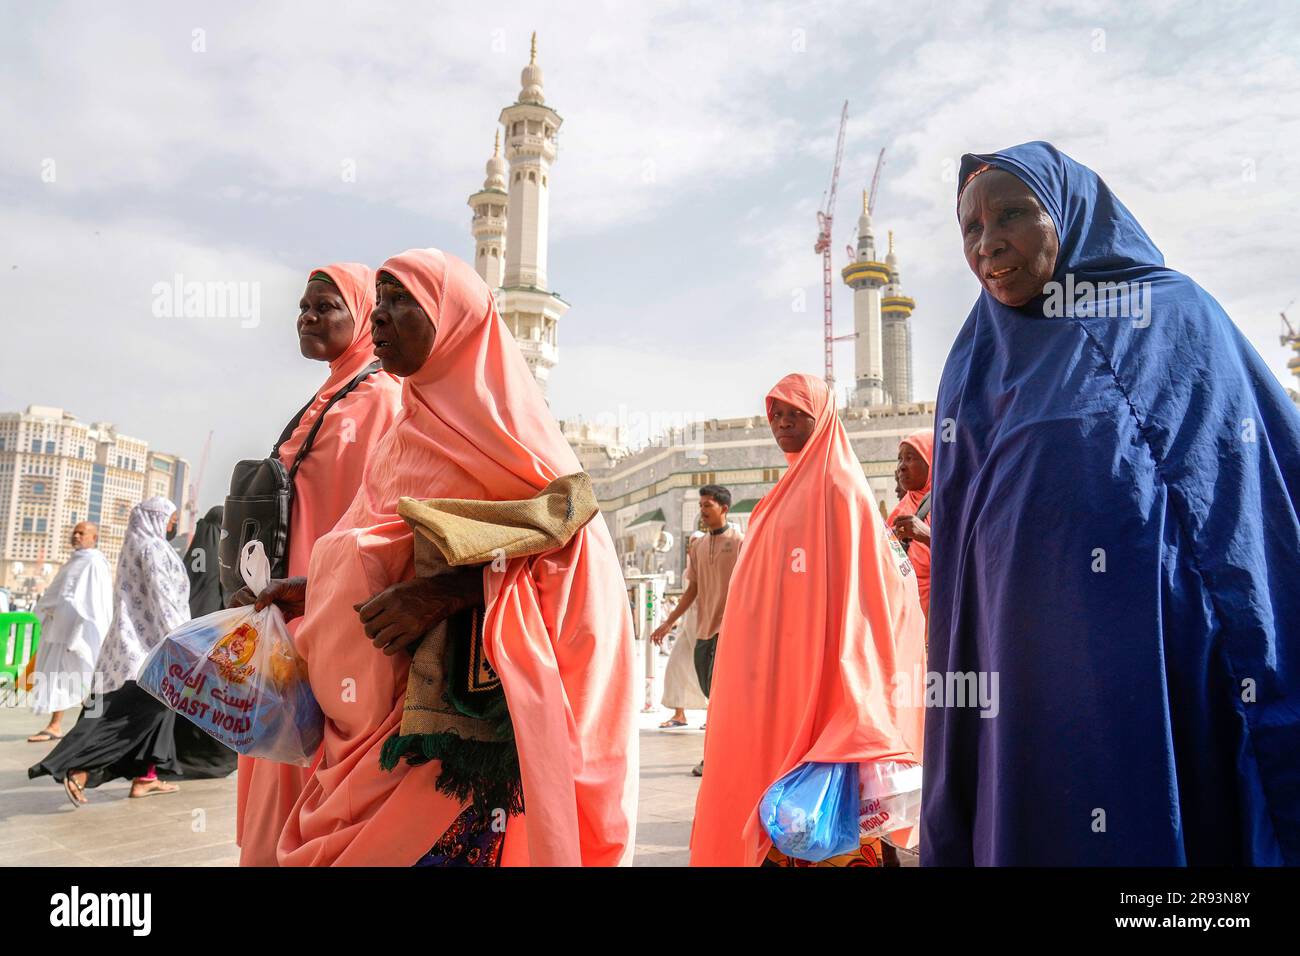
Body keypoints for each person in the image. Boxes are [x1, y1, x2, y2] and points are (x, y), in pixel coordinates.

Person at [924, 142, 1300, 866]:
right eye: (970, 228)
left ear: (1067, 214)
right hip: (1019, 665)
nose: (989, 242)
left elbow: (1251, 486)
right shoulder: (973, 364)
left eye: (1011, 215)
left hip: (1162, 650)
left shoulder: (1176, 316)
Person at [244, 248, 637, 866]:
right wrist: (313, 587)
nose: (382, 319)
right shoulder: (403, 434)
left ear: (454, 323)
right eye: (381, 302)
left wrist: (448, 593)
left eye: (403, 302)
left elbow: (574, 557)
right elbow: (373, 537)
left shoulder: (511, 436)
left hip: (455, 730)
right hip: (375, 708)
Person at [690, 374, 925, 866]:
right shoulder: (781, 496)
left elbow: (873, 594)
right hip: (779, 674)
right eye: (775, 414)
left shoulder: (843, 490)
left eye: (793, 413)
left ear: (821, 419)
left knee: (832, 817)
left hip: (831, 675)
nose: (780, 423)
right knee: (778, 796)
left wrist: (850, 677)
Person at [233, 263, 402, 867]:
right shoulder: (332, 393)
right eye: (303, 306)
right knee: (275, 772)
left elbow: (383, 516)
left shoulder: (379, 398)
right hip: (281, 616)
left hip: (330, 623)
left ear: (359, 318)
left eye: (326, 306)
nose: (307, 317)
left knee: (313, 774)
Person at [29, 498, 190, 804]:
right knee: (131, 716)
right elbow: (164, 599)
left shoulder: (134, 546)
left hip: (130, 647)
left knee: (155, 710)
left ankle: (146, 776)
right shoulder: (152, 549)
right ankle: (78, 767)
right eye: (170, 518)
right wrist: (185, 637)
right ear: (157, 519)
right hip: (150, 649)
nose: (173, 525)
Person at [650, 486, 742, 774]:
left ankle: (717, 757)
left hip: (729, 631)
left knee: (719, 698)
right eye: (701, 505)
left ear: (724, 509)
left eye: (708, 506)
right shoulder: (698, 546)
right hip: (704, 631)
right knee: (710, 695)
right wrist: (668, 622)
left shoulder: (740, 542)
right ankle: (725, 753)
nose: (702, 511)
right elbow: (693, 589)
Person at [26, 522, 112, 742]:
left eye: (82, 533)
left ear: (94, 538)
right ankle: (55, 726)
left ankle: (94, 728)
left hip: (81, 633)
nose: (76, 535)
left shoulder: (95, 563)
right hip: (60, 632)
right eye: (74, 532)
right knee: (58, 678)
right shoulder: (73, 561)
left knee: (87, 676)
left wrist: (81, 627)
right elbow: (57, 594)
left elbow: (94, 602)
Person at [172, 504, 240, 779]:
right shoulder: (224, 563)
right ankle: (212, 757)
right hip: (218, 649)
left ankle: (183, 753)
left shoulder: (192, 561)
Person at [655, 534, 709, 729]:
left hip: (708, 627)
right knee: (675, 666)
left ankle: (713, 716)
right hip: (688, 626)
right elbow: (689, 595)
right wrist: (670, 622)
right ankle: (679, 714)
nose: (691, 548)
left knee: (709, 674)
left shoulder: (710, 565)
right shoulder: (690, 570)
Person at [888, 430, 933, 620]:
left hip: (940, 618)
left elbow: (967, 557)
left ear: (931, 462)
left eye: (910, 458)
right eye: (900, 459)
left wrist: (926, 535)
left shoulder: (953, 504)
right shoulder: (899, 511)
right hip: (904, 618)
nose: (902, 467)